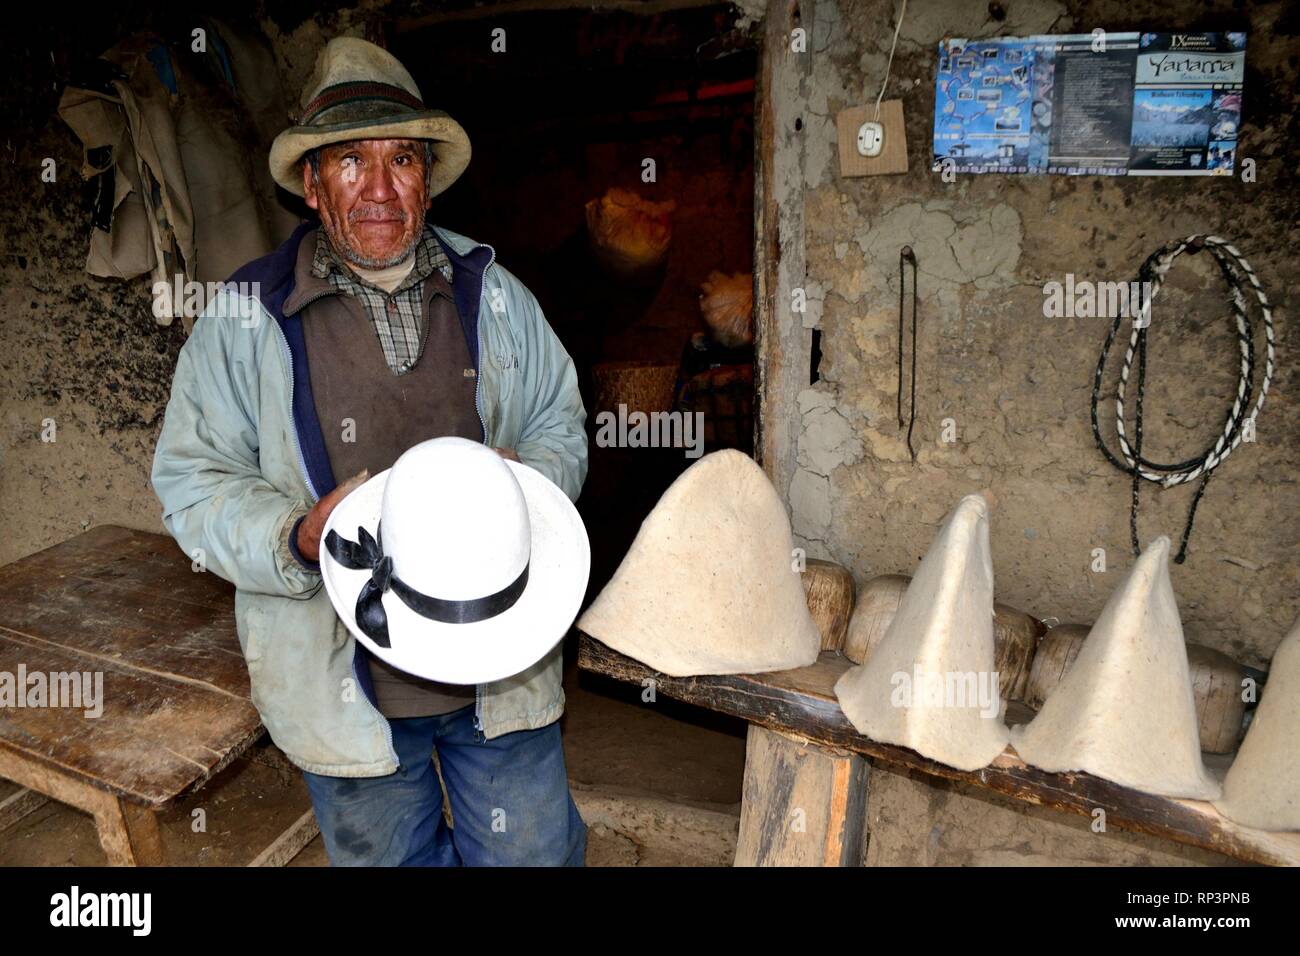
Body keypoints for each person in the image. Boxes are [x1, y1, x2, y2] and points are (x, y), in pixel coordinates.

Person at [151, 36, 588, 866]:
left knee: (532, 852)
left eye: (401, 160)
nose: (380, 188)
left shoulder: (495, 293)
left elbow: (558, 422)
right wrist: (293, 536)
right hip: (341, 680)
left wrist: (521, 491)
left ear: (428, 177)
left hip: (499, 658)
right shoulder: (246, 316)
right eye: (350, 161)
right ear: (313, 187)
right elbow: (191, 480)